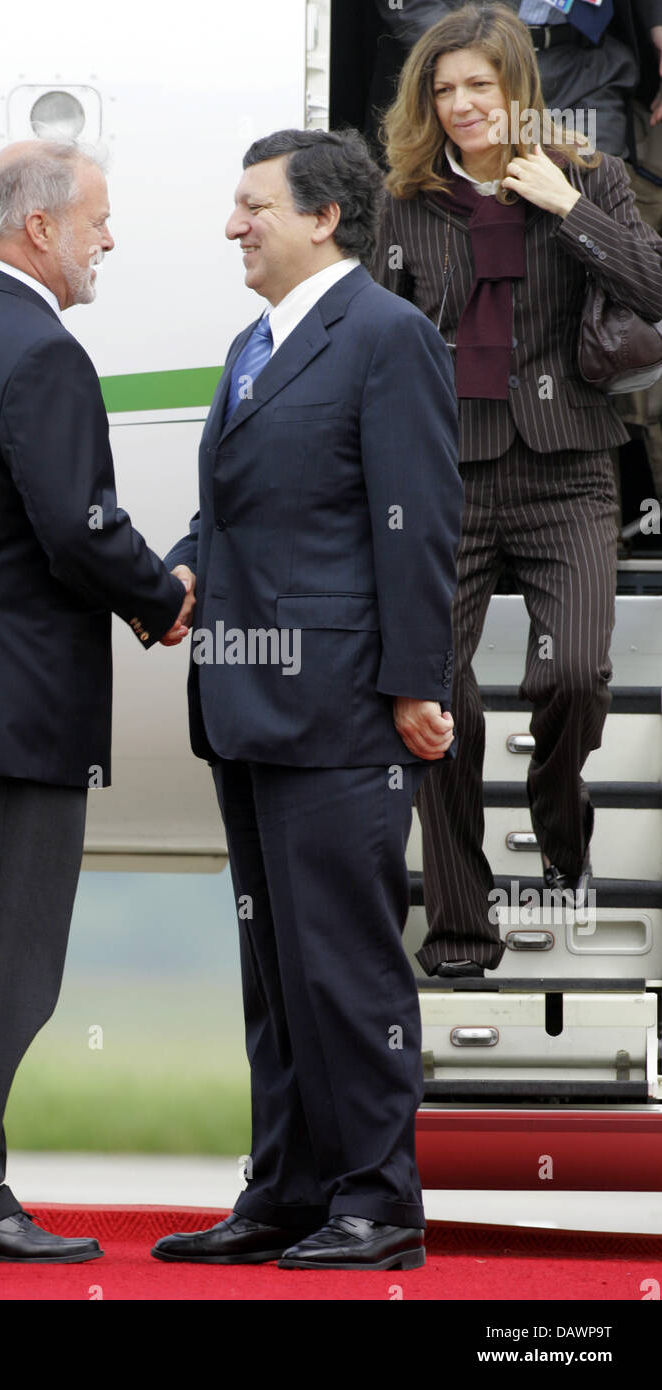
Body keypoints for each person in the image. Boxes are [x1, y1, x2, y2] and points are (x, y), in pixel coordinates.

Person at [0, 140, 193, 1264]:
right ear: (38, 227)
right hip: (22, 716)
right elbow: (77, 526)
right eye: (98, 219)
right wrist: (165, 595)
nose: (109, 239)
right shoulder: (41, 349)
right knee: (1, 967)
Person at [152, 128, 462, 1271]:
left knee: (344, 964)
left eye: (253, 205)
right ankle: (284, 1188)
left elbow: (418, 521)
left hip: (337, 707)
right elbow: (244, 509)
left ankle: (377, 1202)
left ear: (324, 217)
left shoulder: (386, 337)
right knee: (276, 968)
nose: (234, 225)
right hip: (244, 697)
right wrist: (186, 563)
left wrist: (416, 684)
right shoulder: (253, 342)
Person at [377, 3, 662, 977]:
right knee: (433, 699)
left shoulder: (590, 174)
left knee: (572, 674)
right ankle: (461, 927)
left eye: (478, 87)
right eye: (443, 89)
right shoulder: (405, 203)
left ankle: (558, 818)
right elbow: (379, 345)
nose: (460, 105)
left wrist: (565, 206)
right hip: (445, 474)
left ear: (516, 91)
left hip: (568, 467)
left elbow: (655, 292)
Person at [376, 0, 662, 158]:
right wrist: (460, 50)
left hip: (581, 64)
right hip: (472, 58)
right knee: (477, 197)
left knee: (588, 186)